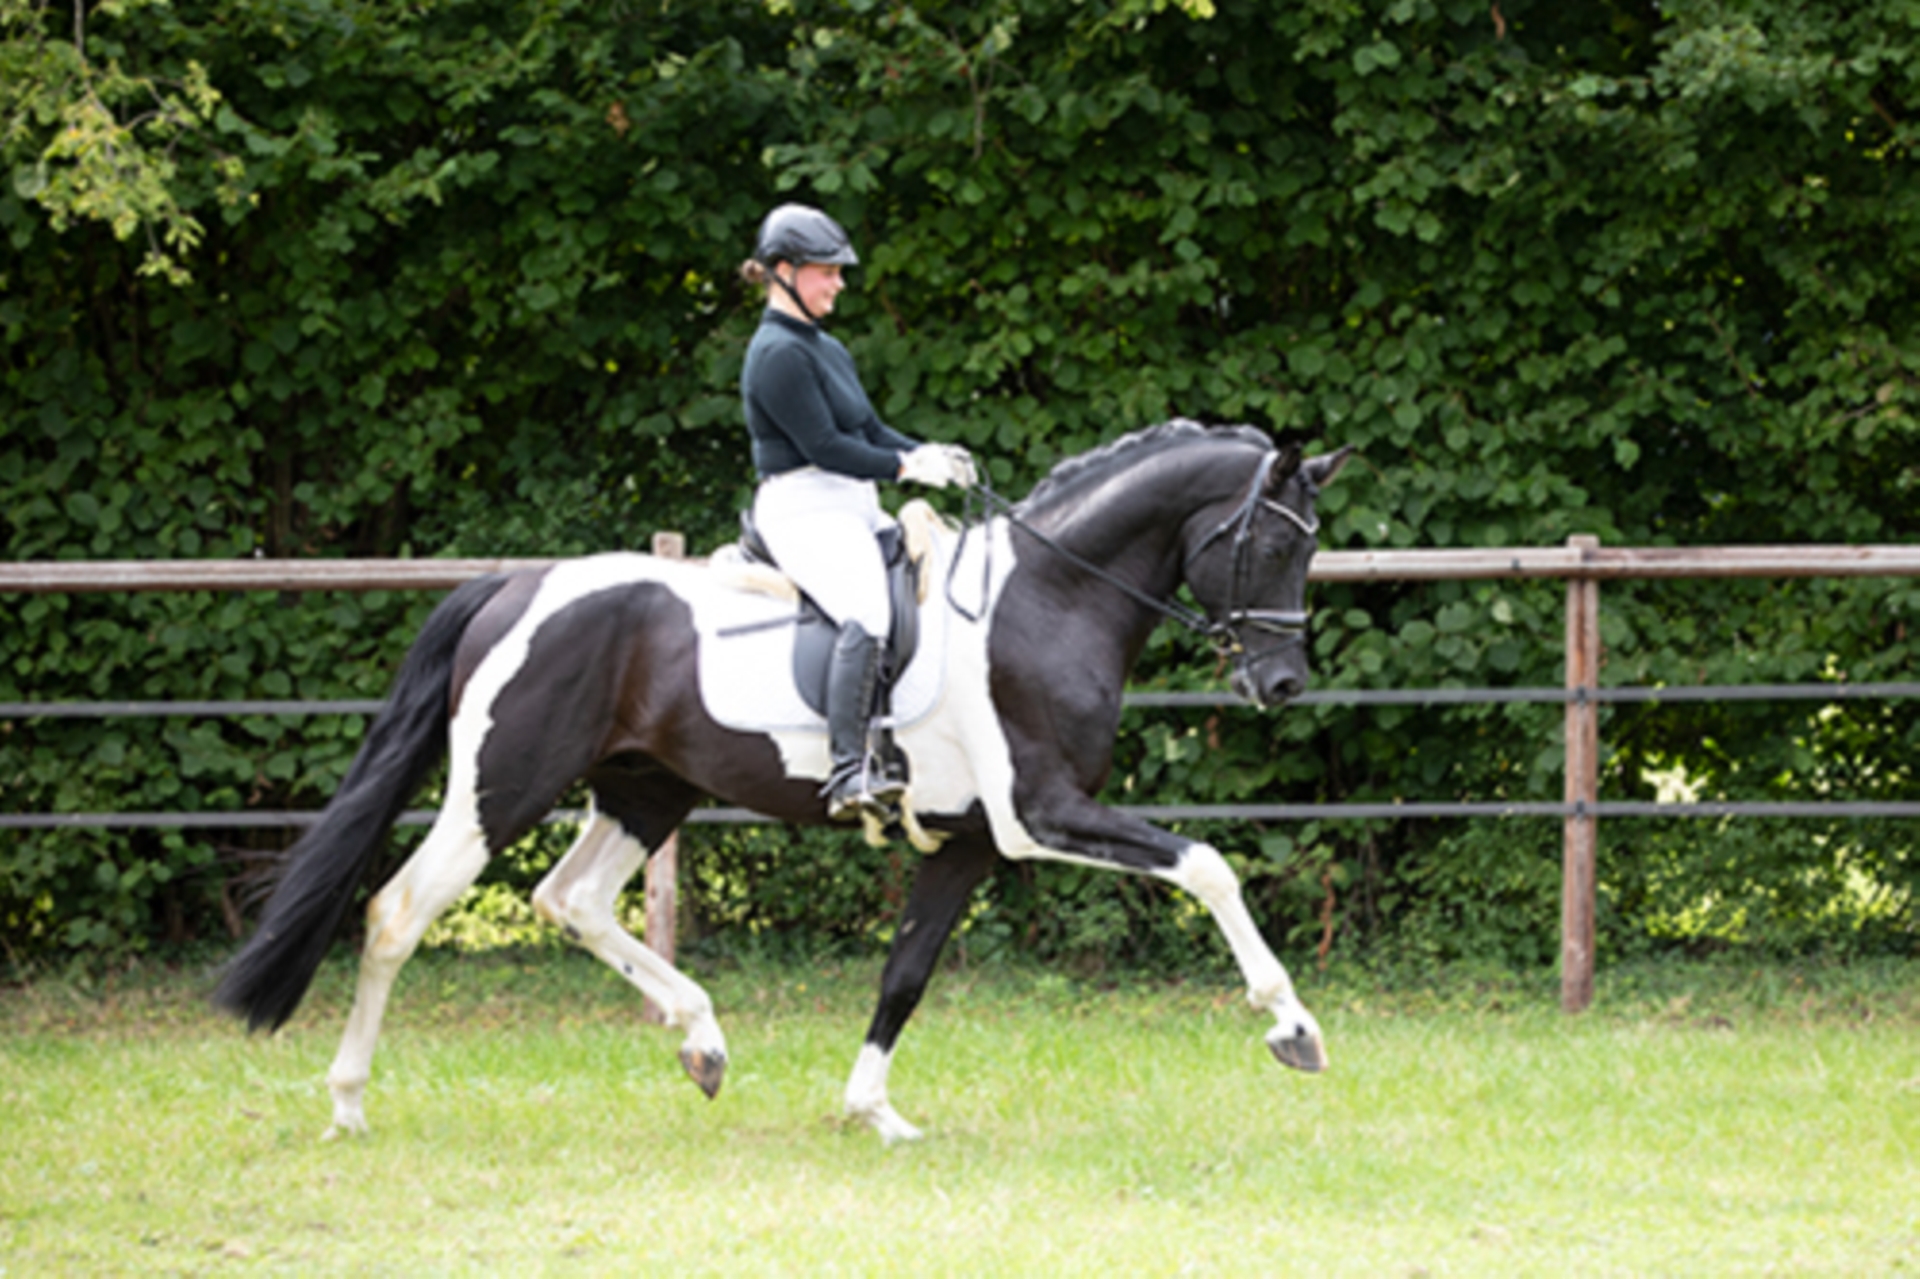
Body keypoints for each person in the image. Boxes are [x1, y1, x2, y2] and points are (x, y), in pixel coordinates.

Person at [738, 203, 975, 821]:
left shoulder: (826, 346)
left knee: (927, 580)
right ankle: (848, 769)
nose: (839, 284)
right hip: (802, 506)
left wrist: (924, 452)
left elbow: (867, 427)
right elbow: (824, 447)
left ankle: (906, 734)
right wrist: (903, 470)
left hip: (850, 502)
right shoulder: (776, 354)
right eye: (827, 272)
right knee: (866, 609)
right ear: (784, 271)